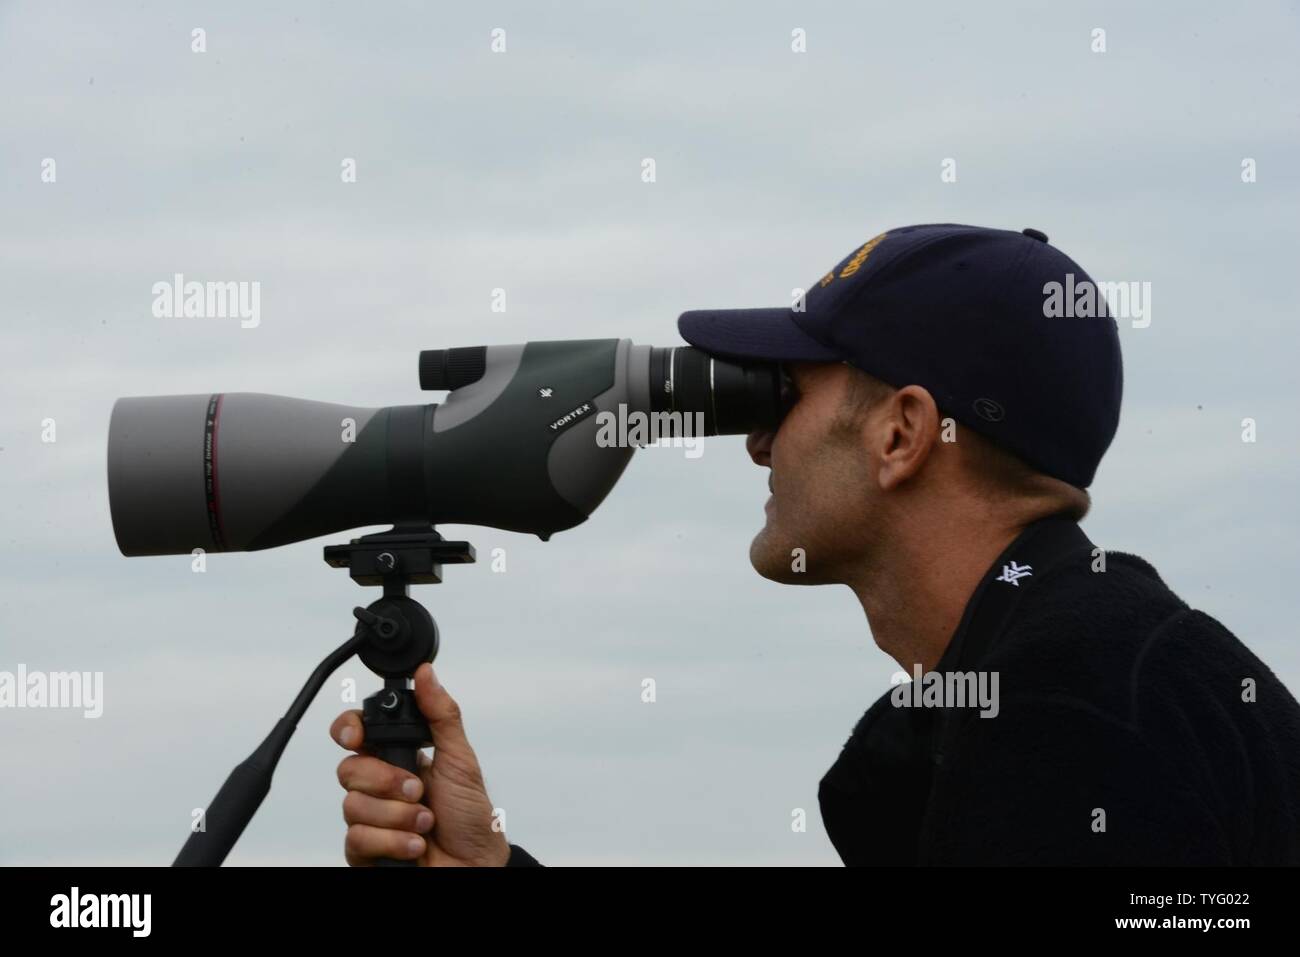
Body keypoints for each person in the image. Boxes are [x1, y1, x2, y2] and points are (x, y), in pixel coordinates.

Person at [331, 223, 1300, 865]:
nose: (755, 439)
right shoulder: (1067, 672)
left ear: (901, 435)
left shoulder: (1073, 715)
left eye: (783, 395)